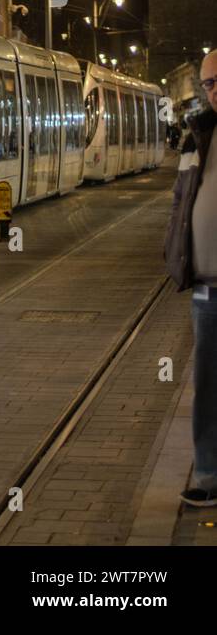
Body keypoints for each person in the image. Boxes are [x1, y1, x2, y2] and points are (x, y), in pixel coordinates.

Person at [166, 49, 217, 507]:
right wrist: (176, 255)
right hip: (207, 287)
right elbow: (181, 203)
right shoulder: (198, 136)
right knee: (208, 385)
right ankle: (208, 476)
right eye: (208, 83)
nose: (213, 90)